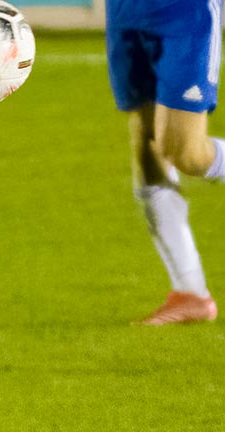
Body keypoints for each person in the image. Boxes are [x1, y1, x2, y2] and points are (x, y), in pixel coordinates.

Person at [107, 0, 220, 324]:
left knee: (187, 152)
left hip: (185, 11)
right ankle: (190, 293)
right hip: (126, 11)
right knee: (147, 143)